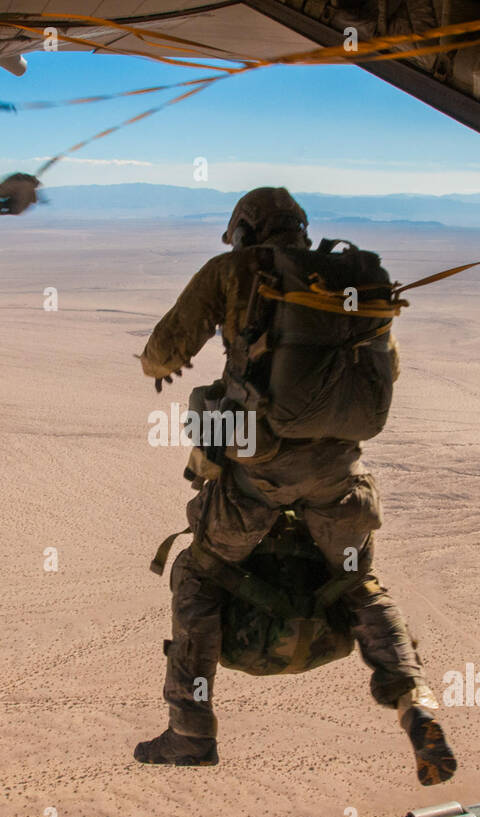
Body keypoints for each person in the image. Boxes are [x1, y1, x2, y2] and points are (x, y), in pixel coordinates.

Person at [134, 187, 457, 785]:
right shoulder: (340, 286)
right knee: (357, 582)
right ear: (300, 231)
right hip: (339, 474)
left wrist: (162, 367)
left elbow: (163, 351)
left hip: (257, 474)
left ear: (244, 231)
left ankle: (190, 729)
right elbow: (383, 372)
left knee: (197, 574)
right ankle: (415, 702)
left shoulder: (233, 271)